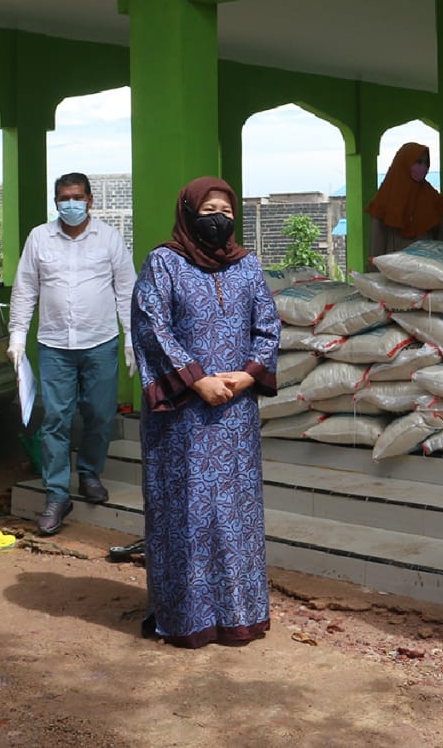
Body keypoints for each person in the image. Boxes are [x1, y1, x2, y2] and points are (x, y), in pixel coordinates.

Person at [131, 176, 281, 648]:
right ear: (188, 212)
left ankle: (240, 616)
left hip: (235, 415)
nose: (219, 217)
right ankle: (184, 618)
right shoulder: (164, 263)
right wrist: (197, 379)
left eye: (226, 209)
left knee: (235, 514)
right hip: (183, 418)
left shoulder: (248, 266)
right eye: (209, 208)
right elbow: (151, 327)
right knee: (187, 514)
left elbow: (268, 325)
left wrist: (248, 375)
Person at [8, 172, 137, 536]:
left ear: (90, 200)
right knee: (55, 419)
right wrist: (17, 336)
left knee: (99, 414)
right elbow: (24, 290)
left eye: (77, 197)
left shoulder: (109, 238)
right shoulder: (39, 238)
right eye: (64, 198)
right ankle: (56, 495)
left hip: (100, 341)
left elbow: (126, 290)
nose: (71, 204)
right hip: (54, 345)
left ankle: (90, 473)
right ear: (56, 202)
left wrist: (131, 338)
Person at [365, 142, 443, 260]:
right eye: (418, 162)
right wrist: (375, 269)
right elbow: (377, 242)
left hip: (427, 270)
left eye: (426, 163)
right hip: (393, 270)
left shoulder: (433, 198)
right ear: (404, 163)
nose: (423, 167)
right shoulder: (385, 198)